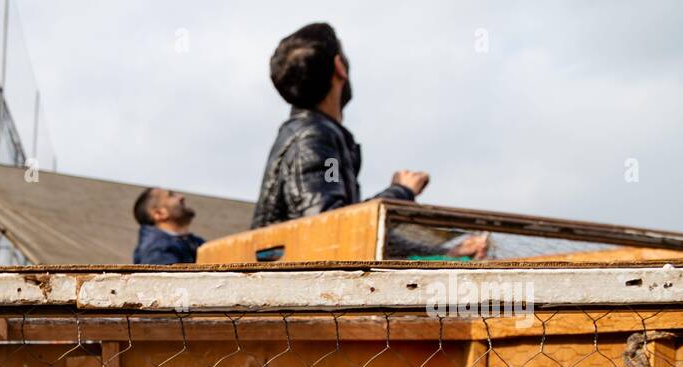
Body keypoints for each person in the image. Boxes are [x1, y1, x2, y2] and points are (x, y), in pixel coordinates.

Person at [251, 23, 486, 258]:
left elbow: (357, 237)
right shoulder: (315, 141)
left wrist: (448, 252)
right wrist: (401, 192)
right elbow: (332, 229)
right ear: (339, 67)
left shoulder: (313, 138)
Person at [133, 188, 205, 264]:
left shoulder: (194, 243)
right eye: (171, 195)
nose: (181, 197)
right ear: (159, 213)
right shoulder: (157, 251)